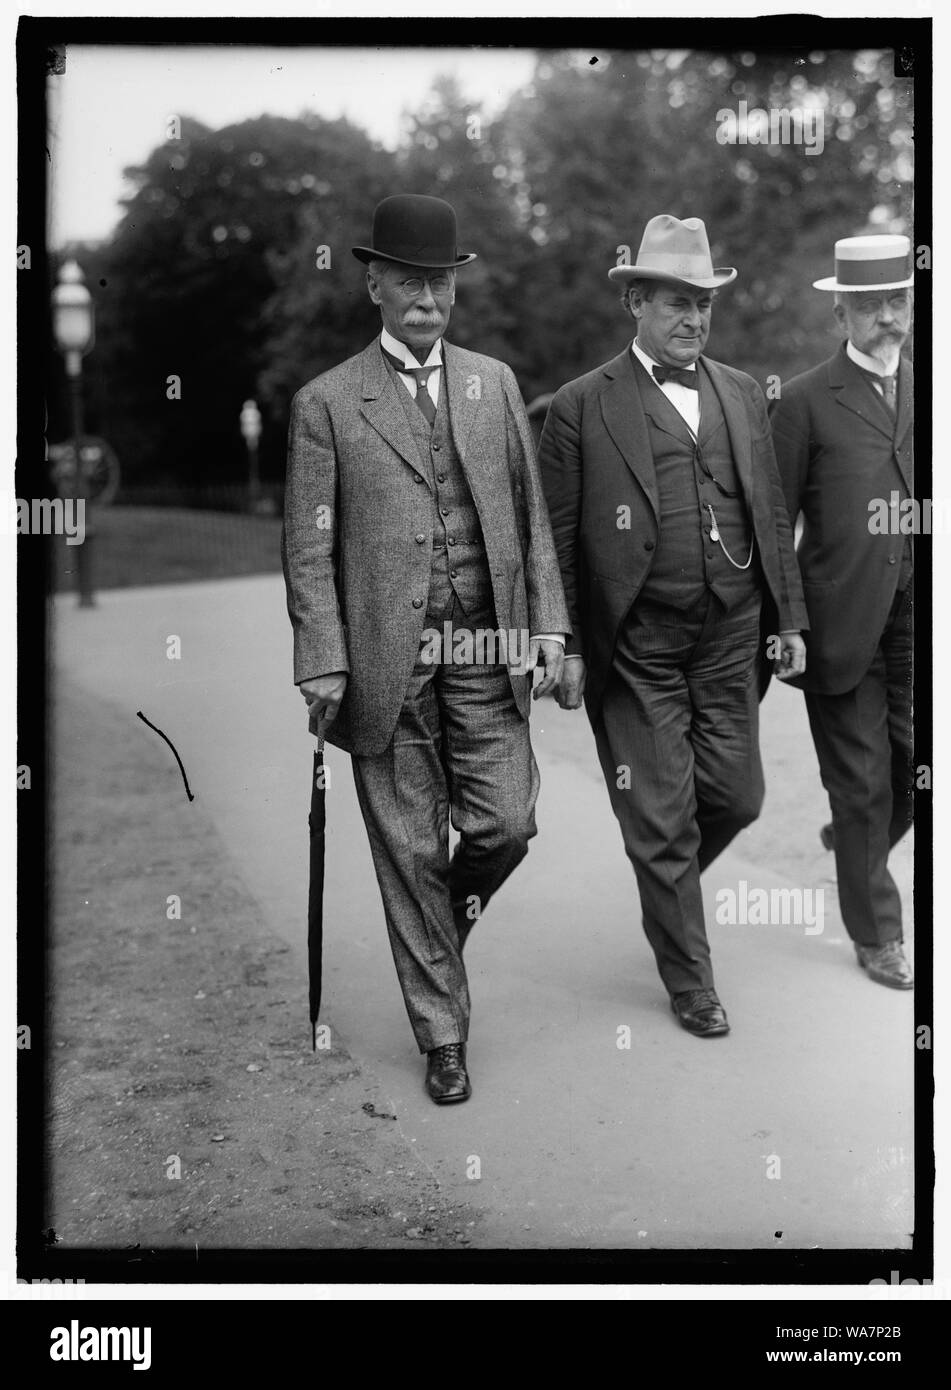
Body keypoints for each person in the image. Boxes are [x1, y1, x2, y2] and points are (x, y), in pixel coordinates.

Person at [281, 194, 569, 1102]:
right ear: (374, 285)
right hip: (381, 664)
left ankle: (434, 926)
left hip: (486, 648)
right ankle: (443, 1036)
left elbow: (529, 516)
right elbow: (307, 545)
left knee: (507, 820)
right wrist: (321, 657)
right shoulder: (326, 403)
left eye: (439, 282)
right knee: (407, 849)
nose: (426, 299)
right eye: (408, 281)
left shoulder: (493, 383)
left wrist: (551, 627)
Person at [538, 214, 807, 1038]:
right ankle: (691, 980)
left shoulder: (737, 391)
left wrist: (787, 618)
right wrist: (569, 645)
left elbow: (766, 511)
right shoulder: (583, 406)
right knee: (658, 819)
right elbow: (552, 540)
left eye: (703, 304)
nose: (693, 319)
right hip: (636, 647)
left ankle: (667, 891)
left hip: (730, 635)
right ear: (636, 306)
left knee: (737, 796)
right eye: (676, 303)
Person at [769, 234, 914, 990]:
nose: (885, 319)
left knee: (913, 774)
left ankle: (852, 843)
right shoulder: (800, 401)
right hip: (841, 624)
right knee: (860, 785)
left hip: (917, 626)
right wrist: (786, 622)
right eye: (869, 306)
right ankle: (877, 935)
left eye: (895, 302)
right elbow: (774, 522)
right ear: (841, 313)